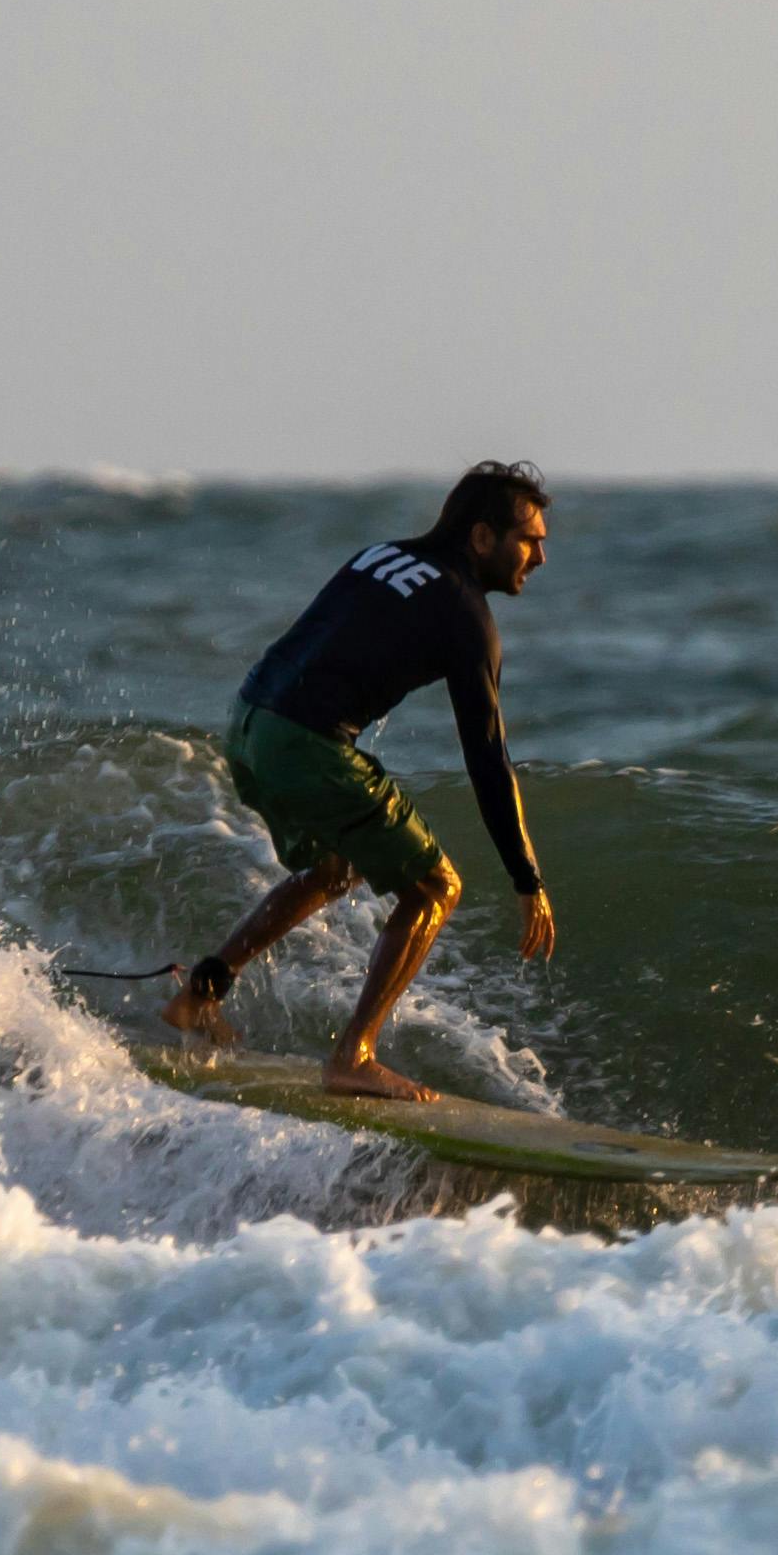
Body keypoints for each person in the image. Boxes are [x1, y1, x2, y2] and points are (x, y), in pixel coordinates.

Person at [164, 461, 559, 1100]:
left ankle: (198, 995)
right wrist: (527, 879)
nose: (540, 556)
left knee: (332, 869)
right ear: (482, 538)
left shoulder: (381, 556)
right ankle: (354, 1056)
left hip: (247, 723)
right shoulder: (466, 613)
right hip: (303, 742)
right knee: (435, 887)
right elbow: (487, 758)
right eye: (529, 539)